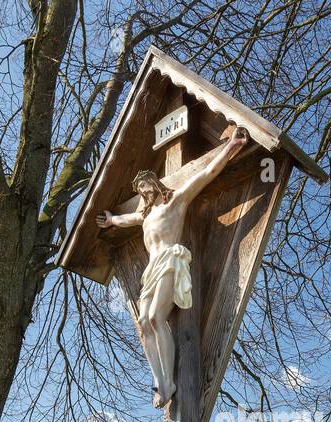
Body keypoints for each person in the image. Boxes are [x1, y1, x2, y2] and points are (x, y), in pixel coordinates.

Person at [96, 126, 249, 407]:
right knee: (144, 323)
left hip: (170, 259)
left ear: (156, 184)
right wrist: (110, 220)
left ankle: (169, 382)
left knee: (156, 317)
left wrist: (231, 147)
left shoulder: (175, 202)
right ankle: (160, 382)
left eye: (147, 185)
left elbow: (205, 175)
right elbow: (121, 220)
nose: (145, 191)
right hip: (151, 271)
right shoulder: (144, 216)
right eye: (141, 189)